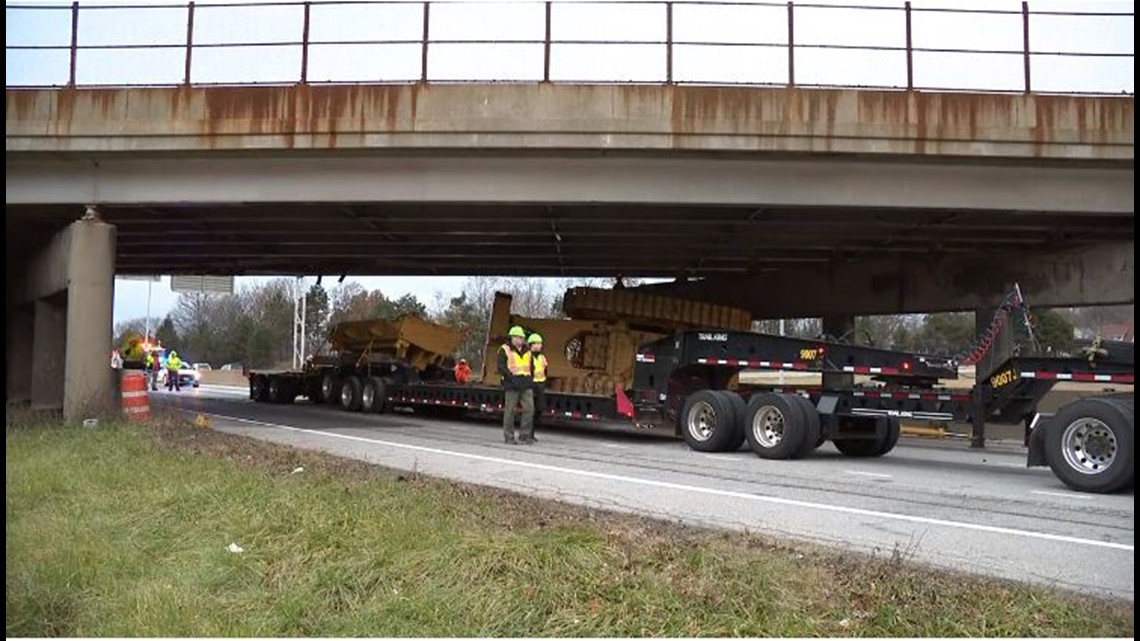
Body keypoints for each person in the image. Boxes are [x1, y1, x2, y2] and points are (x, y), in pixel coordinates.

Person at [497, 325, 534, 445]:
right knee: (510, 411)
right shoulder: (504, 349)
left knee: (529, 409)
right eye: (518, 337)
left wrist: (530, 379)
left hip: (526, 383)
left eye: (522, 338)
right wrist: (511, 378)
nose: (521, 340)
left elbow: (531, 366)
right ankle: (509, 436)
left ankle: (524, 435)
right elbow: (501, 367)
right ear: (512, 338)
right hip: (512, 383)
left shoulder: (527, 351)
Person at [526, 333, 548, 444]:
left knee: (539, 409)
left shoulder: (542, 357)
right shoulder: (527, 356)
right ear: (531, 345)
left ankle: (531, 432)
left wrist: (544, 382)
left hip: (540, 385)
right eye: (538, 343)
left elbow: (545, 370)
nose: (540, 346)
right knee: (530, 410)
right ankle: (528, 434)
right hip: (531, 385)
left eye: (541, 343)